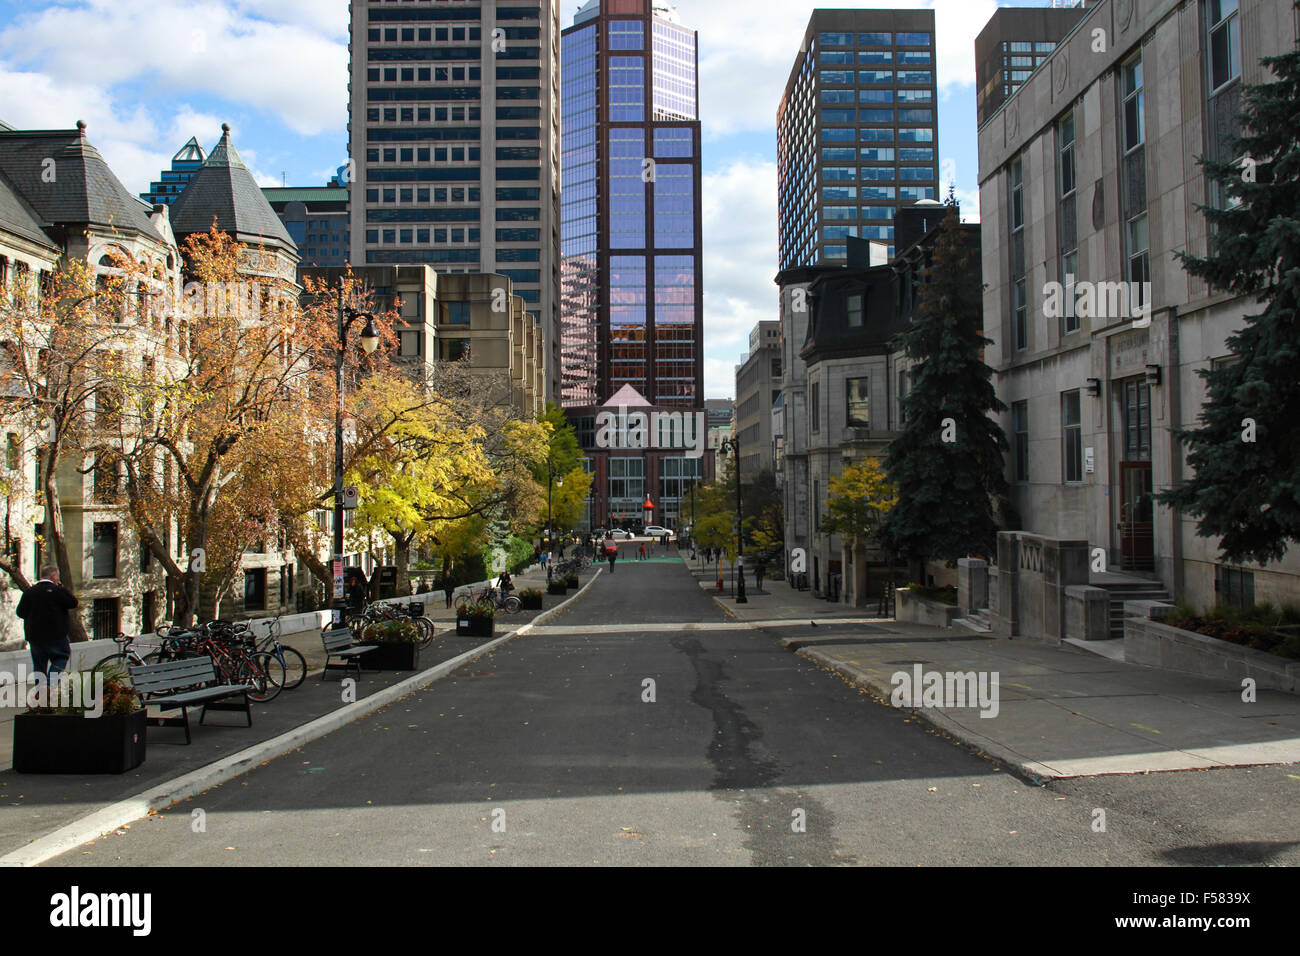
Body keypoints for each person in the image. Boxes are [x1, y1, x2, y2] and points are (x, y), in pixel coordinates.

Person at [15, 564, 77, 681]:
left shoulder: (30, 592)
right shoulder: (57, 591)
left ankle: (41, 693)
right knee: (61, 657)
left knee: (39, 665)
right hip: (57, 635)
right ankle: (50, 685)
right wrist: (62, 587)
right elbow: (73, 603)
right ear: (53, 576)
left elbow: (20, 612)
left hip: (35, 637)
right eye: (57, 576)